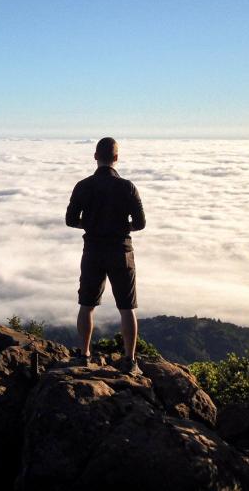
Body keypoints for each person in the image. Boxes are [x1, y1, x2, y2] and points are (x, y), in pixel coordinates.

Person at [65, 137, 146, 375]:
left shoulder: (83, 186)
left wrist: (91, 225)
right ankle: (130, 361)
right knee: (127, 307)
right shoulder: (127, 187)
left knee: (86, 304)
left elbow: (70, 220)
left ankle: (83, 354)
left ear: (95, 156)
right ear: (116, 158)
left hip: (93, 250)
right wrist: (120, 229)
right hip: (121, 251)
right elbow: (140, 223)